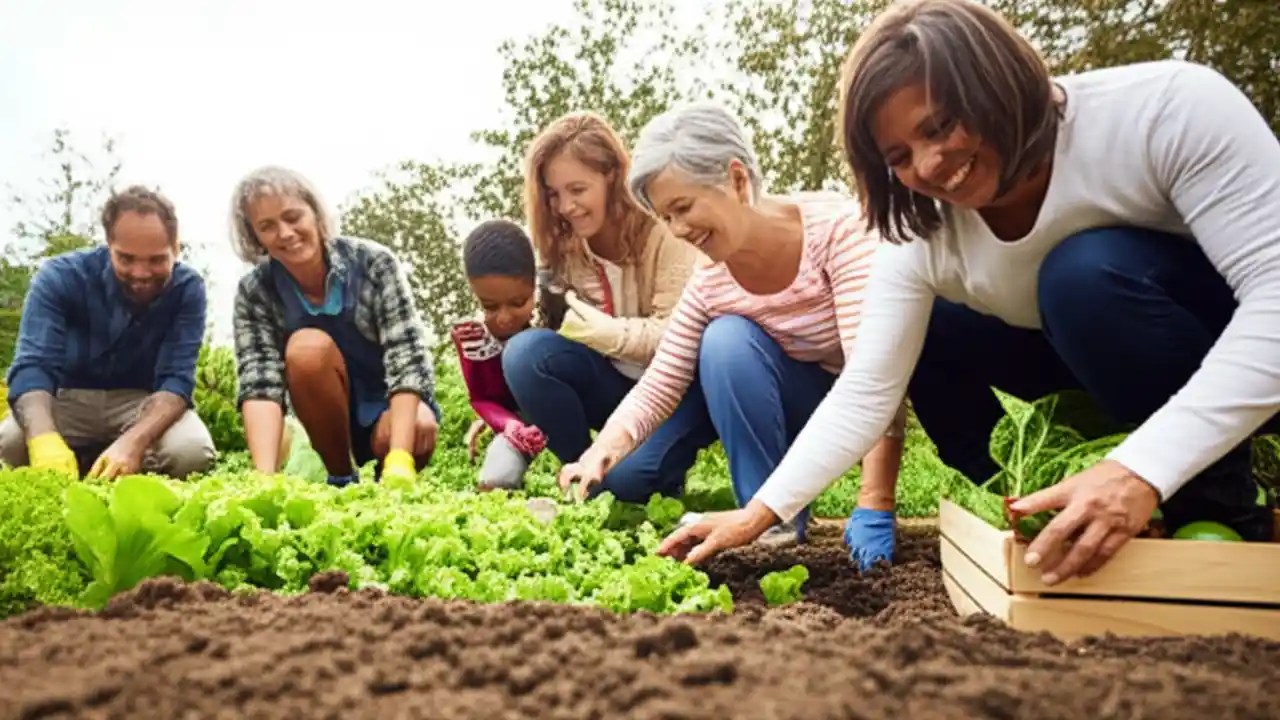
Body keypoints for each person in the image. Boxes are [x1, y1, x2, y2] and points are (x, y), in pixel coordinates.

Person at [659, 0, 1280, 577]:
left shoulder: (1165, 111)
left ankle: (1222, 505)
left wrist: (1143, 468)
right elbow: (870, 387)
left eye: (943, 125)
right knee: (933, 328)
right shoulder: (919, 227)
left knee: (1080, 275)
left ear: (997, 83)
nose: (929, 167)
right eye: (899, 154)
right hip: (1083, 357)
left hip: (1222, 348)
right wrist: (758, 513)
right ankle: (1037, 494)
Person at [558, 103, 907, 555]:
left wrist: (874, 502)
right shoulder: (710, 280)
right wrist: (598, 453)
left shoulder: (838, 232)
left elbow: (874, 377)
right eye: (665, 217)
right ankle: (770, 522)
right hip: (790, 412)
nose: (678, 230)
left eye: (682, 207)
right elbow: (661, 382)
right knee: (727, 340)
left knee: (727, 338)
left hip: (856, 409)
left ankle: (787, 510)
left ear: (737, 180)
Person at [503, 111, 712, 498]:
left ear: (613, 178)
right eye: (554, 194)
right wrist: (508, 408)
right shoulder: (563, 250)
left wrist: (605, 333)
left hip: (678, 390)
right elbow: (546, 342)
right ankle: (583, 476)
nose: (566, 206)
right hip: (614, 387)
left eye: (577, 189)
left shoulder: (666, 232)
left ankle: (640, 475)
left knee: (627, 485)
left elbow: (677, 334)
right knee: (523, 354)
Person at [229, 166, 441, 488]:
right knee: (306, 349)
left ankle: (391, 479)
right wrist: (264, 478)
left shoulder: (373, 264)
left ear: (314, 213)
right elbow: (260, 385)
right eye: (267, 226)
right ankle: (341, 477)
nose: (285, 233)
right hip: (325, 422)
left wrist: (400, 455)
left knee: (419, 423)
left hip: (386, 408)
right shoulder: (256, 292)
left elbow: (406, 356)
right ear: (254, 236)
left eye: (293, 217)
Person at [1, 186, 215, 479]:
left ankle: (112, 465)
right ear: (108, 245)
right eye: (126, 258)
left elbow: (176, 380)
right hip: (67, 398)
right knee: (12, 444)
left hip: (140, 403)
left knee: (191, 451)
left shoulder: (187, 289)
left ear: (176, 249)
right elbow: (33, 366)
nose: (141, 273)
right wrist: (43, 438)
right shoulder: (60, 276)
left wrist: (133, 443)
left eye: (156, 260)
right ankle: (81, 461)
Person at [450, 219, 548, 491]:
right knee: (495, 480)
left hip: (562, 414)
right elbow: (481, 397)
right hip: (517, 426)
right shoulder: (472, 336)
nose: (504, 318)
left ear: (534, 286)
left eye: (518, 303)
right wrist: (510, 426)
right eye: (489, 306)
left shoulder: (556, 314)